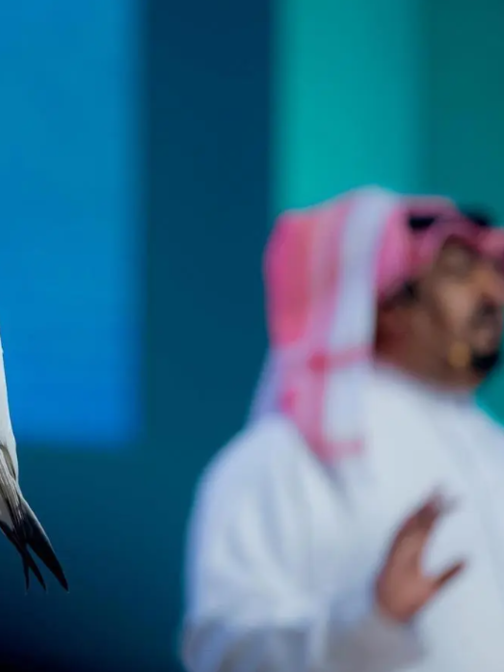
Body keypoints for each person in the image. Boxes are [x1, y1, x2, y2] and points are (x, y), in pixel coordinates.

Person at [180, 186, 504, 672]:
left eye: (494, 271)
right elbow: (220, 652)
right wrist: (371, 621)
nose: (493, 294)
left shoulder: (487, 444)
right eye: (459, 271)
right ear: (387, 303)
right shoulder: (285, 458)